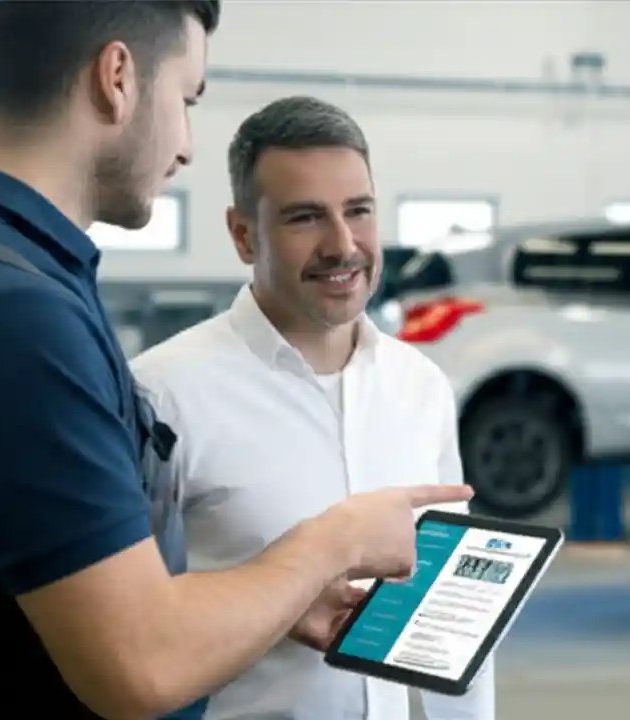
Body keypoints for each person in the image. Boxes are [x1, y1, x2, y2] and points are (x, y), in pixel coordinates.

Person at [0, 4, 472, 720]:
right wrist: (332, 541)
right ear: (118, 77)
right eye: (186, 98)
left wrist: (274, 602)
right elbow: (140, 661)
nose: (186, 145)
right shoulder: (7, 312)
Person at [129, 95, 496, 719]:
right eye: (305, 218)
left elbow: (450, 625)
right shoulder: (163, 394)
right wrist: (275, 599)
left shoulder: (420, 387)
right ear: (244, 235)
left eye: (359, 211)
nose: (343, 244)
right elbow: (122, 625)